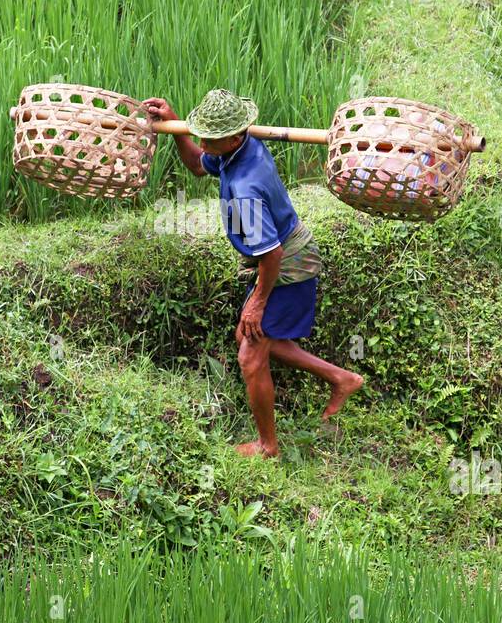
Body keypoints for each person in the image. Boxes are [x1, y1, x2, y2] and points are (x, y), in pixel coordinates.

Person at [143, 89, 363, 458]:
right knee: (250, 337)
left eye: (208, 136)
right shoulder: (238, 148)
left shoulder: (246, 187)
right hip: (280, 255)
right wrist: (176, 126)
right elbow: (198, 164)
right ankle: (342, 378)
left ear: (232, 136)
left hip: (290, 264)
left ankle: (267, 446)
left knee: (250, 353)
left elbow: (271, 253)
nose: (202, 141)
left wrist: (257, 302)